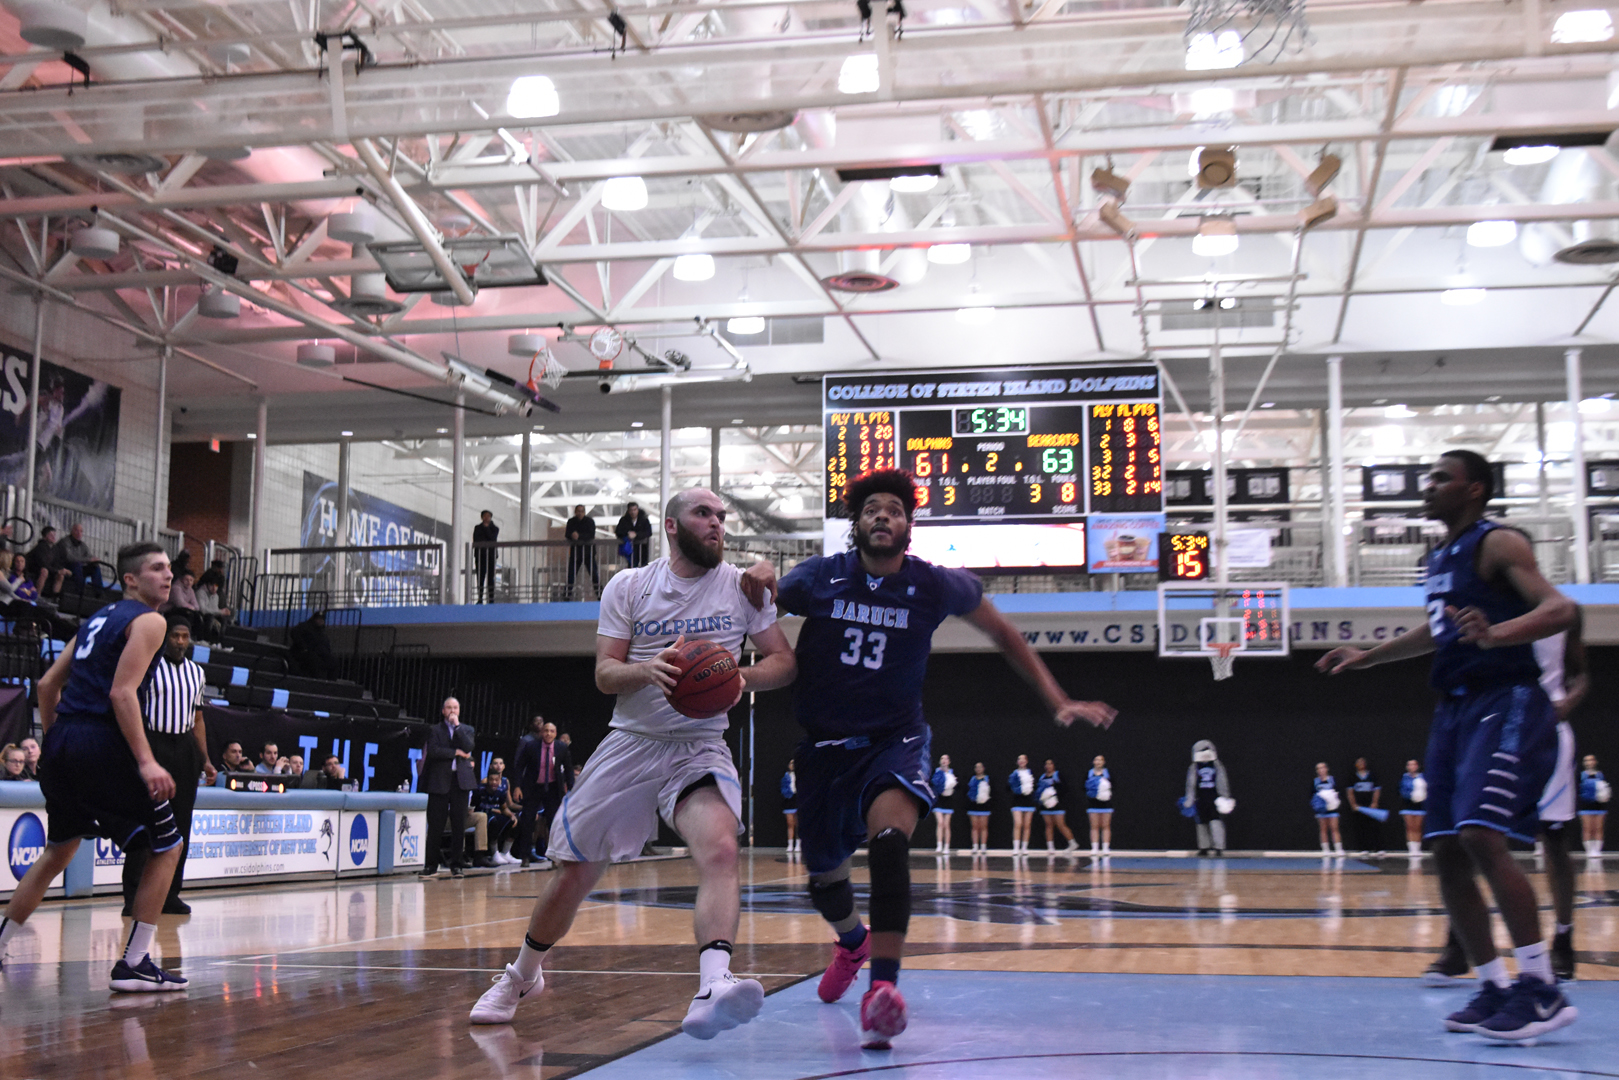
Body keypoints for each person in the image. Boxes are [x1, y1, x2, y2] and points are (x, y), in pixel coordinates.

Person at [746, 468, 1115, 1050]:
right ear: (857, 523)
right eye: (872, 508)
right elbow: (755, 600)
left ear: (909, 524)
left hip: (894, 740)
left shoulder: (935, 585)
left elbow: (1005, 633)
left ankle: (882, 992)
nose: (883, 515)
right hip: (822, 750)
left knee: (891, 842)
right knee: (826, 879)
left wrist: (1058, 698)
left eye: (894, 507)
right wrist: (761, 573)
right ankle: (852, 942)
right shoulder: (819, 577)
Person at [470, 487, 796, 1039]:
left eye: (721, 516)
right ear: (671, 526)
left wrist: (742, 677)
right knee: (576, 873)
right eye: (703, 514)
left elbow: (784, 661)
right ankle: (523, 974)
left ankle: (712, 984)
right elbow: (604, 674)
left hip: (699, 743)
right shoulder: (630, 585)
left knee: (719, 846)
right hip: (632, 741)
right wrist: (649, 670)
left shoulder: (742, 587)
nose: (716, 523)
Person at [1318, 449, 1577, 1040]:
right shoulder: (1438, 559)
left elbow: (1561, 608)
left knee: (1481, 834)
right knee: (1445, 849)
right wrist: (1368, 658)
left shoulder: (1499, 543)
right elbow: (1435, 633)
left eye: (1440, 478)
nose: (1427, 486)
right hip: (1455, 708)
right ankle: (1492, 984)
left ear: (1475, 489)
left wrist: (1499, 634)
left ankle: (1541, 989)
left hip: (1505, 697)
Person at [0, 542, 188, 990]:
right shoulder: (150, 620)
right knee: (168, 844)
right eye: (157, 569)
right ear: (130, 579)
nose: (168, 577)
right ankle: (134, 963)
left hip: (62, 738)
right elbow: (122, 694)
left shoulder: (96, 621)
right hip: (100, 740)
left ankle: (2, 939)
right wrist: (146, 762)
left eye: (169, 570)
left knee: (58, 850)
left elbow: (47, 685)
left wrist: (61, 742)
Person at [1426, 607, 1591, 986]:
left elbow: (1580, 673)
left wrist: (1566, 704)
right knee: (1469, 834)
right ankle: (1460, 945)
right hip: (1491, 722)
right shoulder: (1475, 604)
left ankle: (1562, 939)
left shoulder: (1563, 611)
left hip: (1542, 726)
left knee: (1553, 837)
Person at [120, 614, 214, 917]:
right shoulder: (149, 667)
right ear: (165, 638)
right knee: (146, 820)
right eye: (176, 635)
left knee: (181, 823)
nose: (181, 641)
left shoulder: (196, 673)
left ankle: (170, 893)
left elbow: (198, 719)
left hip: (184, 746)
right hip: (153, 742)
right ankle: (133, 895)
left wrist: (206, 759)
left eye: (185, 636)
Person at [421, 697, 478, 878]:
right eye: (449, 708)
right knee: (436, 824)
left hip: (460, 782)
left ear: (459, 711)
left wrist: (458, 727)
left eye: (455, 707)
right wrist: (455, 752)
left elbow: (469, 746)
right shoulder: (435, 729)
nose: (452, 711)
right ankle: (431, 865)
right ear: (443, 711)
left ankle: (456, 865)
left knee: (458, 825)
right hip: (439, 781)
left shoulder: (467, 729)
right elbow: (434, 751)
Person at [511, 717, 573, 867]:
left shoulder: (561, 748)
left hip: (552, 788)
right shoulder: (531, 746)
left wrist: (571, 790)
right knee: (527, 821)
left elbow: (569, 770)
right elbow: (519, 766)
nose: (548, 734)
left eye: (551, 731)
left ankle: (554, 858)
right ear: (541, 732)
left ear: (555, 733)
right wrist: (517, 786)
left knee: (553, 823)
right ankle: (525, 856)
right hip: (533, 787)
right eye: (546, 731)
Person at [1183, 740, 1232, 856]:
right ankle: (1203, 847)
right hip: (1201, 799)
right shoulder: (1195, 767)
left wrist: (1224, 796)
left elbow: (1222, 781)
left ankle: (1219, 847)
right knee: (1201, 824)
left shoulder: (1216, 765)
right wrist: (1189, 799)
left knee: (1216, 822)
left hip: (1214, 799)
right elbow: (1191, 784)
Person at [476, 758, 520, 865]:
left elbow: (507, 805)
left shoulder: (505, 783)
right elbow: (477, 804)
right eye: (495, 763)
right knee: (494, 822)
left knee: (516, 820)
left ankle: (505, 852)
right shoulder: (484, 784)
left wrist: (516, 813)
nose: (498, 766)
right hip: (487, 812)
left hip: (500, 811)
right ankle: (494, 853)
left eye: (501, 763)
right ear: (491, 766)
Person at [1036, 758, 1078, 853]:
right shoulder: (1042, 777)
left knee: (1060, 824)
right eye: (1046, 764)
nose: (1048, 766)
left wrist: (1054, 793)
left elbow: (1065, 788)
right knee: (1048, 825)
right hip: (1045, 805)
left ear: (1054, 765)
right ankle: (1050, 847)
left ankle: (1072, 843)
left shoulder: (1058, 775)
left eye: (1050, 763)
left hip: (1058, 805)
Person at [1344, 757, 1384, 856]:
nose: (1361, 764)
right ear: (1356, 765)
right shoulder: (1353, 777)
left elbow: (1377, 790)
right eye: (1358, 763)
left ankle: (1378, 848)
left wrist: (1374, 802)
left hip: (1371, 806)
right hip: (1359, 806)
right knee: (1361, 827)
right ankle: (1363, 848)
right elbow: (1350, 792)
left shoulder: (1372, 775)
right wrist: (1353, 804)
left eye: (1362, 762)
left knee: (1374, 827)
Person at [55, 522, 104, 592]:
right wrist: (88, 560)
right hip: (65, 566)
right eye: (76, 530)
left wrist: (95, 560)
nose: (79, 533)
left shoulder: (82, 545)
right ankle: (79, 590)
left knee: (95, 568)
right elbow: (69, 558)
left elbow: (89, 556)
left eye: (81, 531)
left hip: (78, 568)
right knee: (77, 565)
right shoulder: (64, 542)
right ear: (72, 531)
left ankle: (98, 591)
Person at [288, 610, 336, 680]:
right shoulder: (305, 627)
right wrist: (303, 647)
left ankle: (331, 683)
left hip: (319, 654)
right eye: (318, 619)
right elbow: (294, 633)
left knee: (333, 661)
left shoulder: (322, 633)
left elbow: (326, 645)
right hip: (306, 653)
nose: (320, 621)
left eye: (322, 619)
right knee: (315, 661)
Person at [565, 504, 599, 597]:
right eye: (578, 511)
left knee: (594, 575)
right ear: (575, 512)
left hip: (588, 553)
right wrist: (572, 535)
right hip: (576, 553)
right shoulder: (571, 522)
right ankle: (567, 596)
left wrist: (578, 536)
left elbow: (591, 535)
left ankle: (600, 595)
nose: (580, 513)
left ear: (584, 512)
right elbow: (567, 534)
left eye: (581, 511)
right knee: (571, 576)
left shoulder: (589, 521)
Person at [1313, 762, 1344, 856]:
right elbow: (1312, 795)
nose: (1320, 770)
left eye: (1322, 768)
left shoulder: (1332, 780)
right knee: (1323, 829)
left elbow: (1338, 792)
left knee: (1334, 828)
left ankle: (1338, 849)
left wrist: (1333, 800)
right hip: (1322, 810)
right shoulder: (1315, 782)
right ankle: (1325, 850)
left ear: (1326, 769)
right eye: (1318, 768)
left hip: (1332, 809)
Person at [1579, 755, 1608, 857]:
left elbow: (1606, 789)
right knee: (1587, 828)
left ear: (1595, 762)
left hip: (1599, 806)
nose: (1589, 762)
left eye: (1591, 760)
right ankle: (1589, 850)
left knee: (1598, 828)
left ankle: (1597, 850)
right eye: (1586, 760)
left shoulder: (1600, 775)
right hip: (1586, 806)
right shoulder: (1581, 776)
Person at [1007, 754, 1036, 853]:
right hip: (1017, 801)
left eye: (1024, 759)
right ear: (1017, 761)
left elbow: (1034, 787)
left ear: (1027, 761)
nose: (1022, 761)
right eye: (1019, 759)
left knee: (1027, 825)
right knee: (1018, 823)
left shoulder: (1031, 773)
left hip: (1029, 802)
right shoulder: (1014, 774)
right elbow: (1009, 787)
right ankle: (1016, 848)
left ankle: (1024, 848)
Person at [1085, 755, 1113, 855]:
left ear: (1104, 762)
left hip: (1106, 804)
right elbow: (1084, 787)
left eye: (1100, 760)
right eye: (1096, 760)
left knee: (1106, 825)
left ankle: (1105, 848)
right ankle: (1095, 848)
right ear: (1093, 762)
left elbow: (1114, 786)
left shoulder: (1108, 773)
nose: (1098, 762)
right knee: (1094, 826)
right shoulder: (1089, 773)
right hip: (1093, 804)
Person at [1399, 759, 1428, 856]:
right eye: (1410, 765)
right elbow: (1402, 790)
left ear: (1417, 766)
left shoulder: (1422, 777)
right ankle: (1412, 849)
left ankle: (1417, 849)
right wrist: (1411, 796)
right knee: (1410, 827)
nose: (1412, 767)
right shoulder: (1404, 777)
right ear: (1407, 767)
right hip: (1408, 805)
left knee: (1418, 827)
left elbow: (1426, 789)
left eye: (1414, 764)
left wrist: (1422, 797)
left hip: (1420, 806)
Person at [27, 526, 65, 597]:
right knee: (44, 571)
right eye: (51, 535)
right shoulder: (40, 547)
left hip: (48, 568)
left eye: (54, 535)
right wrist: (56, 571)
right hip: (34, 568)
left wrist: (61, 570)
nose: (53, 537)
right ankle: (37, 594)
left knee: (61, 575)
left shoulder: (55, 549)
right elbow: (42, 563)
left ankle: (55, 596)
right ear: (45, 537)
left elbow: (56, 562)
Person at [929, 755, 956, 854]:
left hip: (948, 800)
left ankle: (946, 847)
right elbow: (932, 783)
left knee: (946, 824)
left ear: (949, 761)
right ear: (940, 761)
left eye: (946, 759)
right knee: (940, 823)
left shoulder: (952, 773)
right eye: (942, 759)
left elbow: (957, 786)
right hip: (938, 801)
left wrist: (953, 784)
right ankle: (939, 845)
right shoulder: (936, 772)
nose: (944, 760)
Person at [473, 509, 499, 604]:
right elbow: (476, 539)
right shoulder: (477, 528)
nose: (486, 518)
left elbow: (492, 538)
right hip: (480, 556)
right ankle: (480, 598)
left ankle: (491, 598)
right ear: (482, 517)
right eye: (484, 516)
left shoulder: (495, 528)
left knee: (491, 578)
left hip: (491, 556)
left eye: (488, 516)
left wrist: (486, 528)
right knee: (480, 577)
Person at [966, 762, 992, 854]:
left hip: (984, 806)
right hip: (973, 806)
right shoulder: (972, 779)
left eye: (980, 767)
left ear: (983, 768)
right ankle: (975, 846)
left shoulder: (987, 779)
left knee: (983, 826)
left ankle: (983, 846)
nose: (978, 769)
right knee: (975, 827)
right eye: (976, 767)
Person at [614, 502, 650, 568]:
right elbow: (618, 531)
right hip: (631, 549)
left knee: (643, 566)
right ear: (628, 511)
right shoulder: (624, 520)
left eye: (634, 510)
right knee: (632, 566)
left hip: (642, 549)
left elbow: (648, 532)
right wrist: (628, 533)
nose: (633, 512)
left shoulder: (644, 520)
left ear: (638, 510)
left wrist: (636, 535)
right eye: (631, 510)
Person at [781, 759, 798, 854]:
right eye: (791, 763)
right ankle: (790, 844)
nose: (793, 765)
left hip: (799, 800)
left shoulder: (801, 775)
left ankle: (799, 844)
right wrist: (788, 794)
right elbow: (783, 788)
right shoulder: (786, 776)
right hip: (789, 801)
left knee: (799, 824)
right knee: (790, 823)